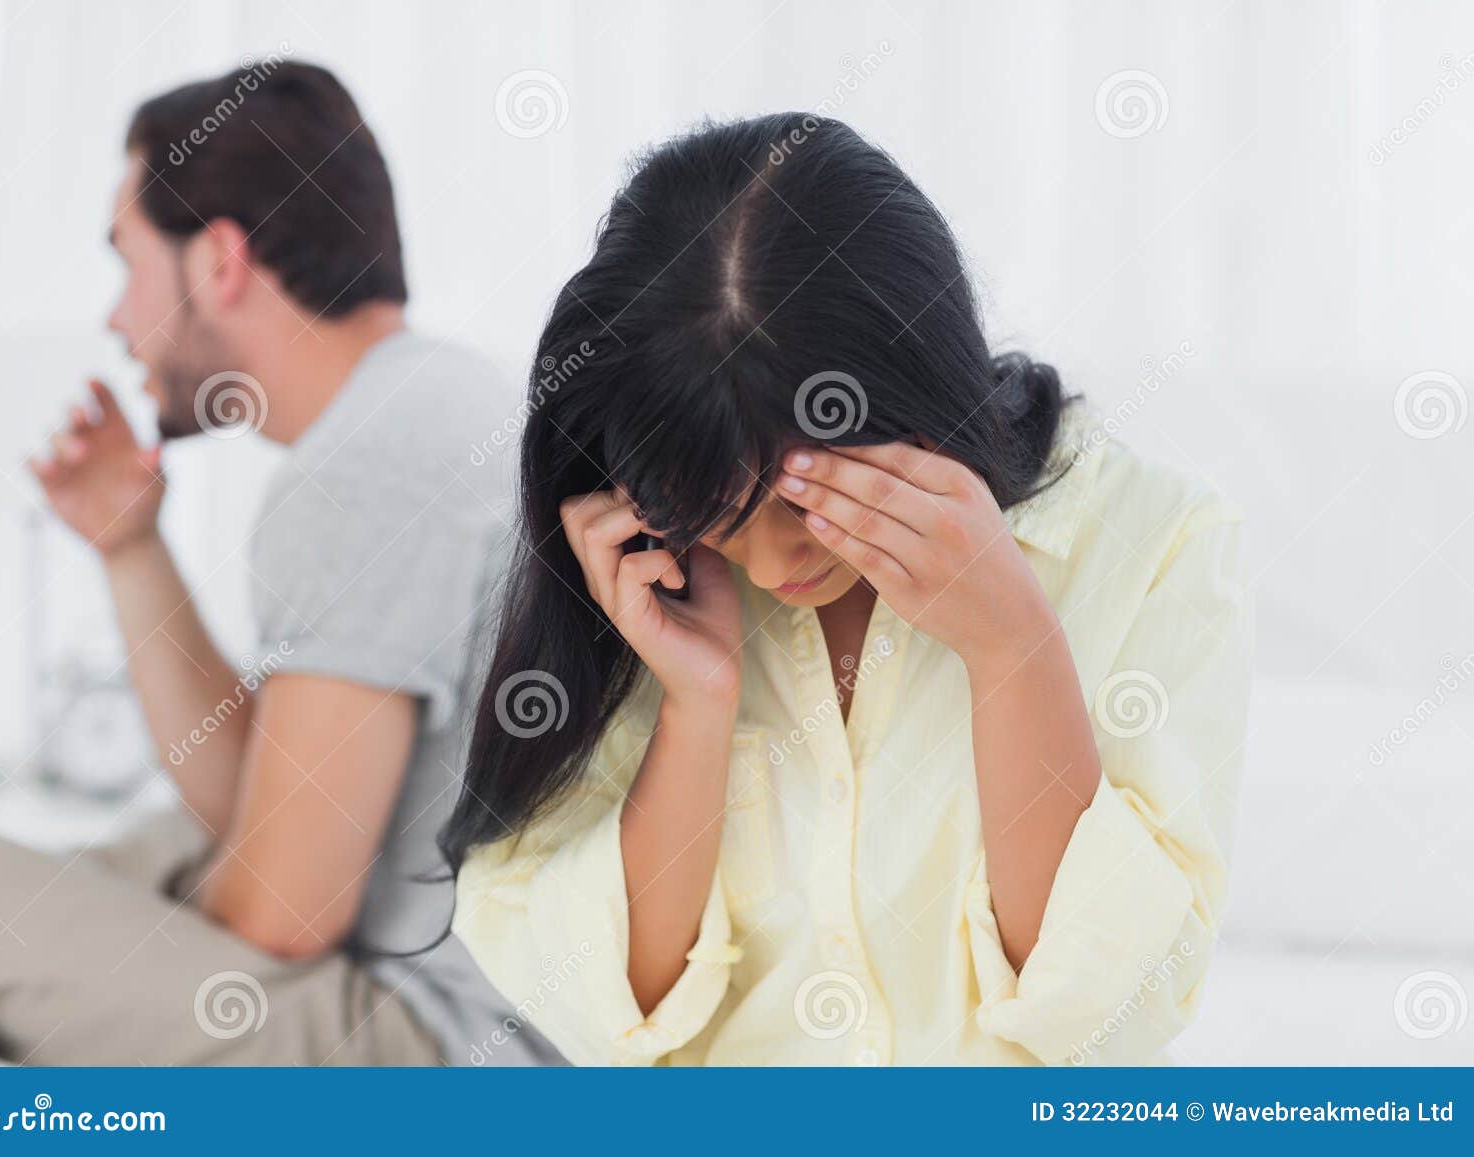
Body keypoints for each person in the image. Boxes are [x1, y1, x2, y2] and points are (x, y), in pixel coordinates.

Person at [446, 113, 1253, 1066]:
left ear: (917, 382)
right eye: (718, 507)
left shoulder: (1153, 539)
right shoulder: (638, 575)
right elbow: (605, 1010)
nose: (771, 558)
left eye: (803, 495)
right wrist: (698, 707)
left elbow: (1106, 1011)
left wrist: (1012, 649)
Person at [0, 61, 559, 1067]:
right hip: (447, 982)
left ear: (219, 263)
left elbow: (281, 914)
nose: (118, 318)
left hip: (440, 1046)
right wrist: (130, 543)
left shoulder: (370, 461)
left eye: (128, 261)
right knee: (146, 851)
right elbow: (268, 807)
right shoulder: (434, 400)